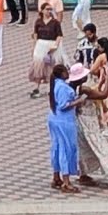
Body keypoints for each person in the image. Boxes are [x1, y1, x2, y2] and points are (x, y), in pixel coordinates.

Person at [68, 61, 108, 186]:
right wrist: (107, 81)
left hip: (78, 120)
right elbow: (102, 95)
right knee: (98, 144)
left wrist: (100, 82)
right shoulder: (85, 89)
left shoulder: (72, 88)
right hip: (89, 121)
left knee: (84, 146)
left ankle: (83, 173)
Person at [47, 64, 83, 193]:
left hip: (54, 118)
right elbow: (64, 105)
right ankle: (66, 181)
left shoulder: (55, 84)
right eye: (66, 71)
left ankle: (56, 176)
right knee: (66, 148)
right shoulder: (62, 87)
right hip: (64, 121)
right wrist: (78, 101)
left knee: (57, 147)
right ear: (61, 73)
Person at [28, 4, 62, 98]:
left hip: (51, 44)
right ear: (42, 10)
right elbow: (35, 34)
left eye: (51, 9)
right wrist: (34, 46)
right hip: (40, 45)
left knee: (51, 66)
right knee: (38, 66)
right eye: (47, 9)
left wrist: (56, 45)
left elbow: (59, 35)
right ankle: (37, 87)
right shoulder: (38, 22)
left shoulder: (55, 22)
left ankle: (51, 88)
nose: (49, 11)